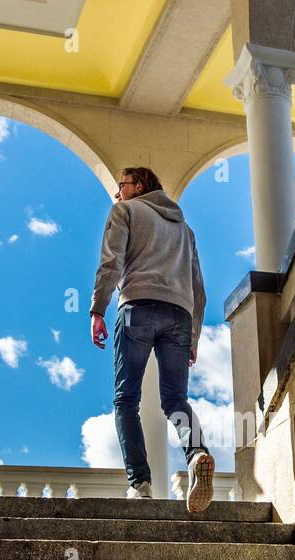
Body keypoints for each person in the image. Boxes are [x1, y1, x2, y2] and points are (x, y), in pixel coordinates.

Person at [89, 166, 214, 512]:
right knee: (175, 399)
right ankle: (197, 453)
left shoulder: (125, 211)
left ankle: (140, 483)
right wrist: (194, 336)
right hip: (179, 315)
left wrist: (97, 309)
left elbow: (111, 262)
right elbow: (199, 288)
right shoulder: (185, 230)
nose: (117, 193)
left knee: (126, 399)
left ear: (139, 186)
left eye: (122, 185)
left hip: (138, 308)